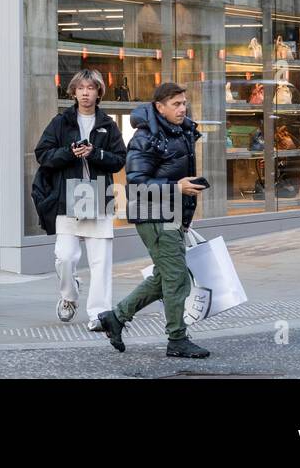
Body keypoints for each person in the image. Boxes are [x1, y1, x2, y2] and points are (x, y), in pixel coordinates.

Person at [96, 82, 211, 359]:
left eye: (184, 103)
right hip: (153, 214)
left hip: (172, 214)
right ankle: (177, 339)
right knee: (176, 276)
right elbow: (136, 183)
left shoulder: (181, 131)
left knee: (164, 276)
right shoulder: (144, 138)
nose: (182, 108)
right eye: (176, 104)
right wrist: (176, 187)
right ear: (159, 107)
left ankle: (116, 317)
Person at [32, 69, 126, 330]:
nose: (85, 93)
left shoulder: (108, 124)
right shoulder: (60, 122)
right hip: (68, 195)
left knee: (101, 262)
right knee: (64, 257)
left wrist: (95, 154)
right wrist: (69, 153)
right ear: (73, 92)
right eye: (81, 88)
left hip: (99, 193)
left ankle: (99, 314)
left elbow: (120, 160)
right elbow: (43, 154)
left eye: (91, 88)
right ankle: (69, 296)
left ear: (98, 92)